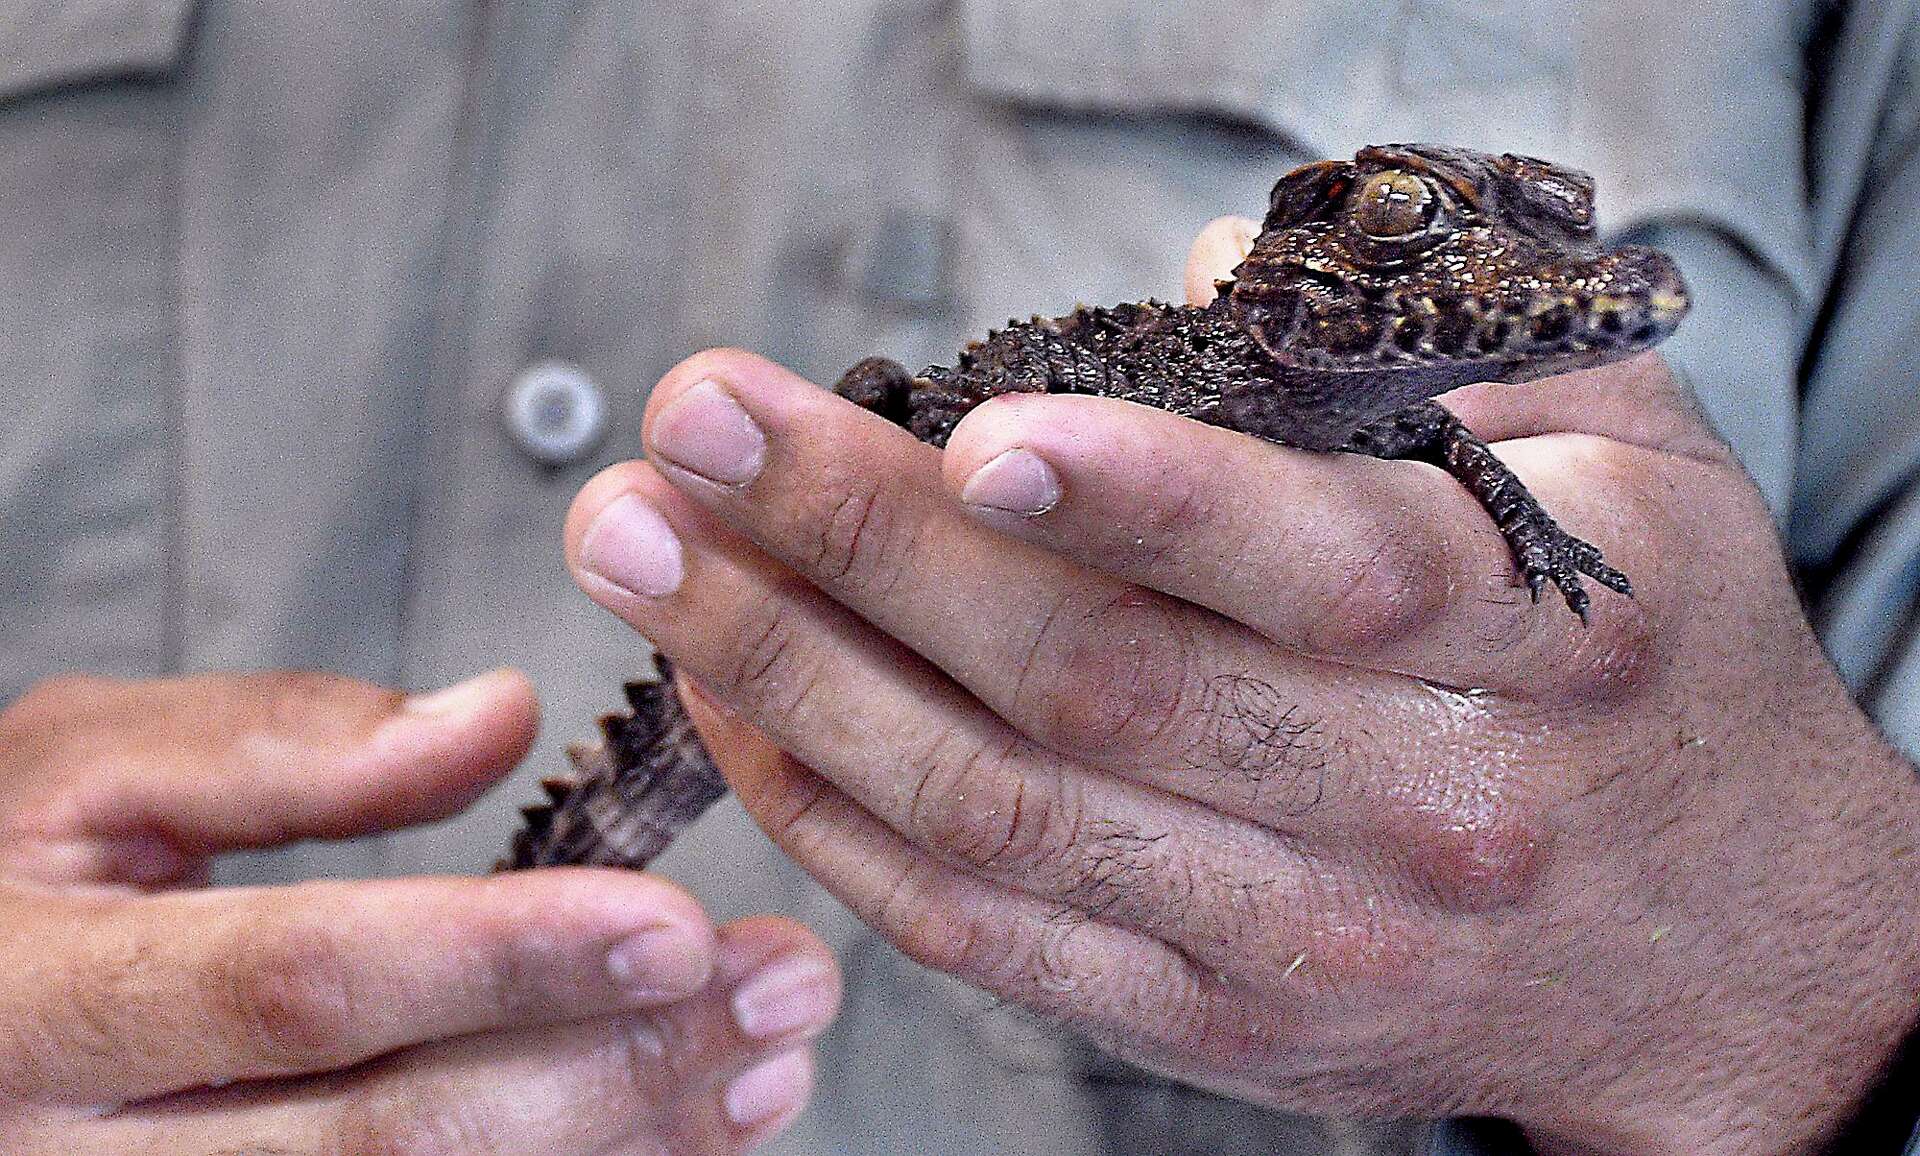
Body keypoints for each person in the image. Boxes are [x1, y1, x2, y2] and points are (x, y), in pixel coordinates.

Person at [2, 1, 1916, 1153]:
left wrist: (1776, 985)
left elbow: (1452, 450)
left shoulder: (1409, 409)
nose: (1508, 260)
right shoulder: (1250, 363)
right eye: (1426, 220)